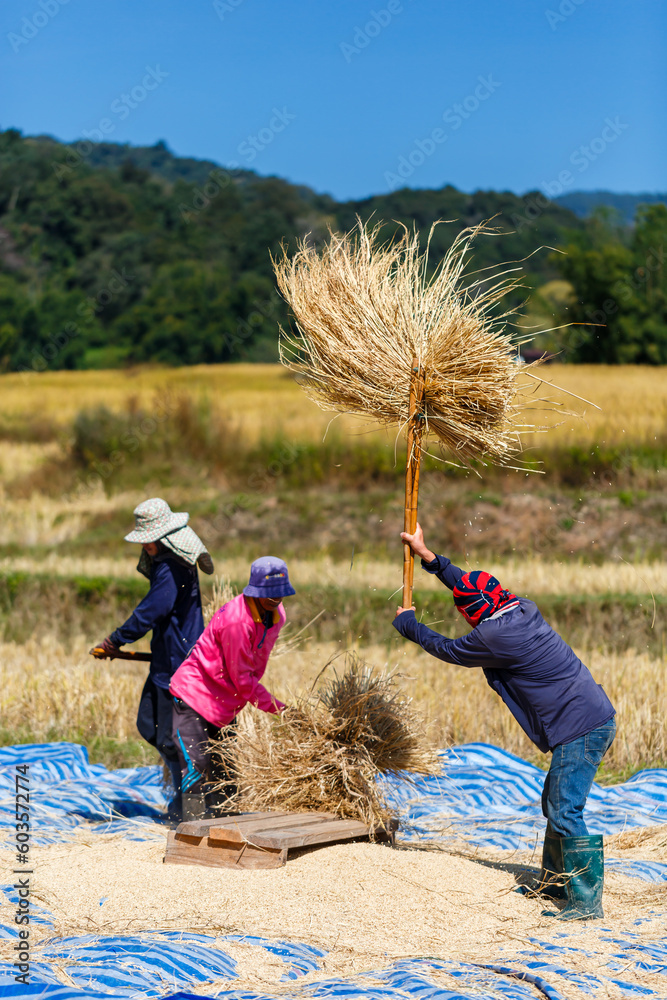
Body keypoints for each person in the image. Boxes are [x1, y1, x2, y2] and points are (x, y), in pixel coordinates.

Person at [393, 523, 616, 922]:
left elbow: (446, 649)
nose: (465, 620)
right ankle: (554, 880)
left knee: (565, 809)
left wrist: (410, 625)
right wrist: (428, 556)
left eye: (465, 614)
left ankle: (585, 902)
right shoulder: (519, 607)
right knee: (556, 802)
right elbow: (469, 585)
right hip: (588, 718)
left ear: (475, 614)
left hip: (580, 728)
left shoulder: (495, 638)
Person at [91, 497, 213, 821]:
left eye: (148, 539)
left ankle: (189, 807)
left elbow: (152, 610)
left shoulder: (173, 567)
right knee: (150, 725)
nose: (144, 545)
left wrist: (115, 640)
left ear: (162, 537)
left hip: (179, 664)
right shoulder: (168, 562)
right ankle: (182, 800)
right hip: (166, 659)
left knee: (175, 739)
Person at [169, 556, 295, 821]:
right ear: (255, 591)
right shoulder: (237, 621)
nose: (276, 600)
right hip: (195, 695)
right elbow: (242, 677)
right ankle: (192, 829)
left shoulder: (276, 615)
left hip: (225, 701)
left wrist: (248, 697)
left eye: (280, 595)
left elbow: (257, 661)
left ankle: (227, 827)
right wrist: (280, 710)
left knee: (225, 769)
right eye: (270, 595)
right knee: (197, 767)